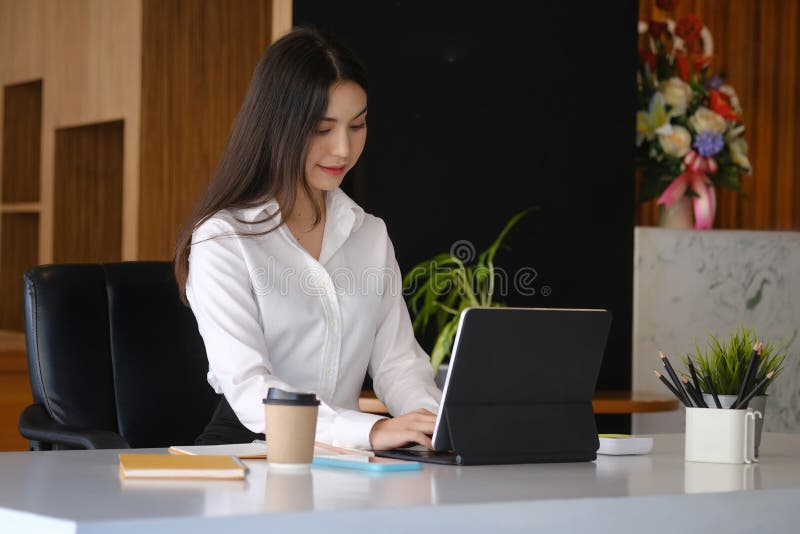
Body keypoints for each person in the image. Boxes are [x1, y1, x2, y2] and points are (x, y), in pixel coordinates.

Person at [174, 28, 442, 451]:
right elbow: (248, 388)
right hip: (250, 453)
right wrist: (369, 431)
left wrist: (433, 426)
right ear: (278, 126)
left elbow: (398, 363)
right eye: (322, 128)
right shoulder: (224, 239)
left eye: (357, 125)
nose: (343, 148)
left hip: (344, 457)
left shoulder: (368, 233)